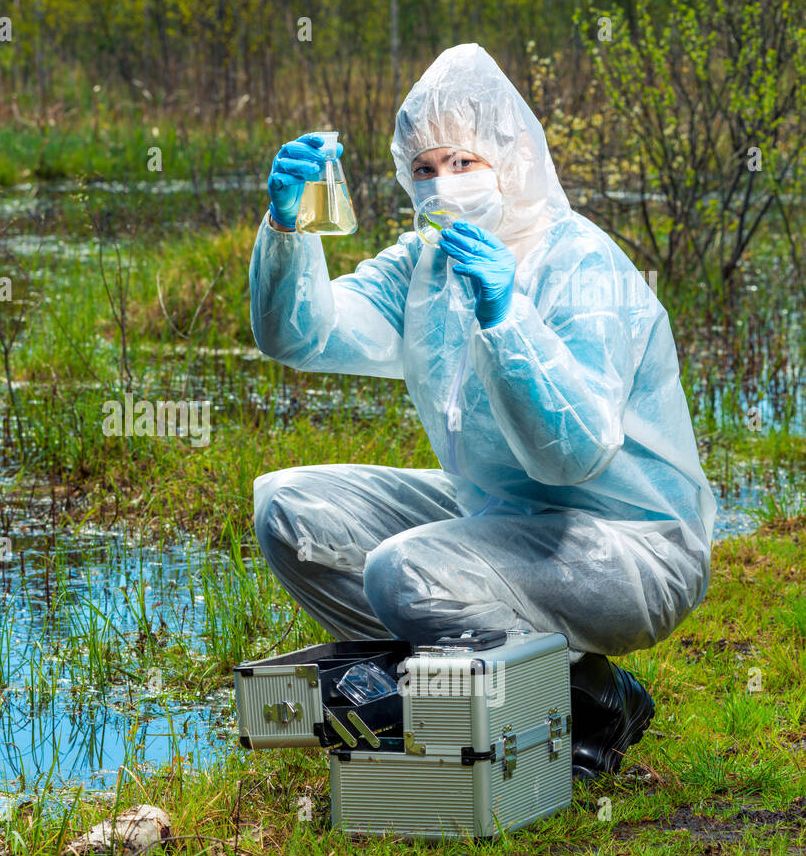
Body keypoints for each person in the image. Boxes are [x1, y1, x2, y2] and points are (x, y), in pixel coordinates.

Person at [249, 43, 716, 780]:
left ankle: (586, 698)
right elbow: (303, 334)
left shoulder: (583, 267)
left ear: (513, 157)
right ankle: (472, 688)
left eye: (463, 161)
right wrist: (287, 231)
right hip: (496, 516)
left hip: (630, 545)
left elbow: (573, 454)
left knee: (404, 571)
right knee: (289, 510)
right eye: (425, 168)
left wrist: (507, 316)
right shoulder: (424, 265)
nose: (443, 184)